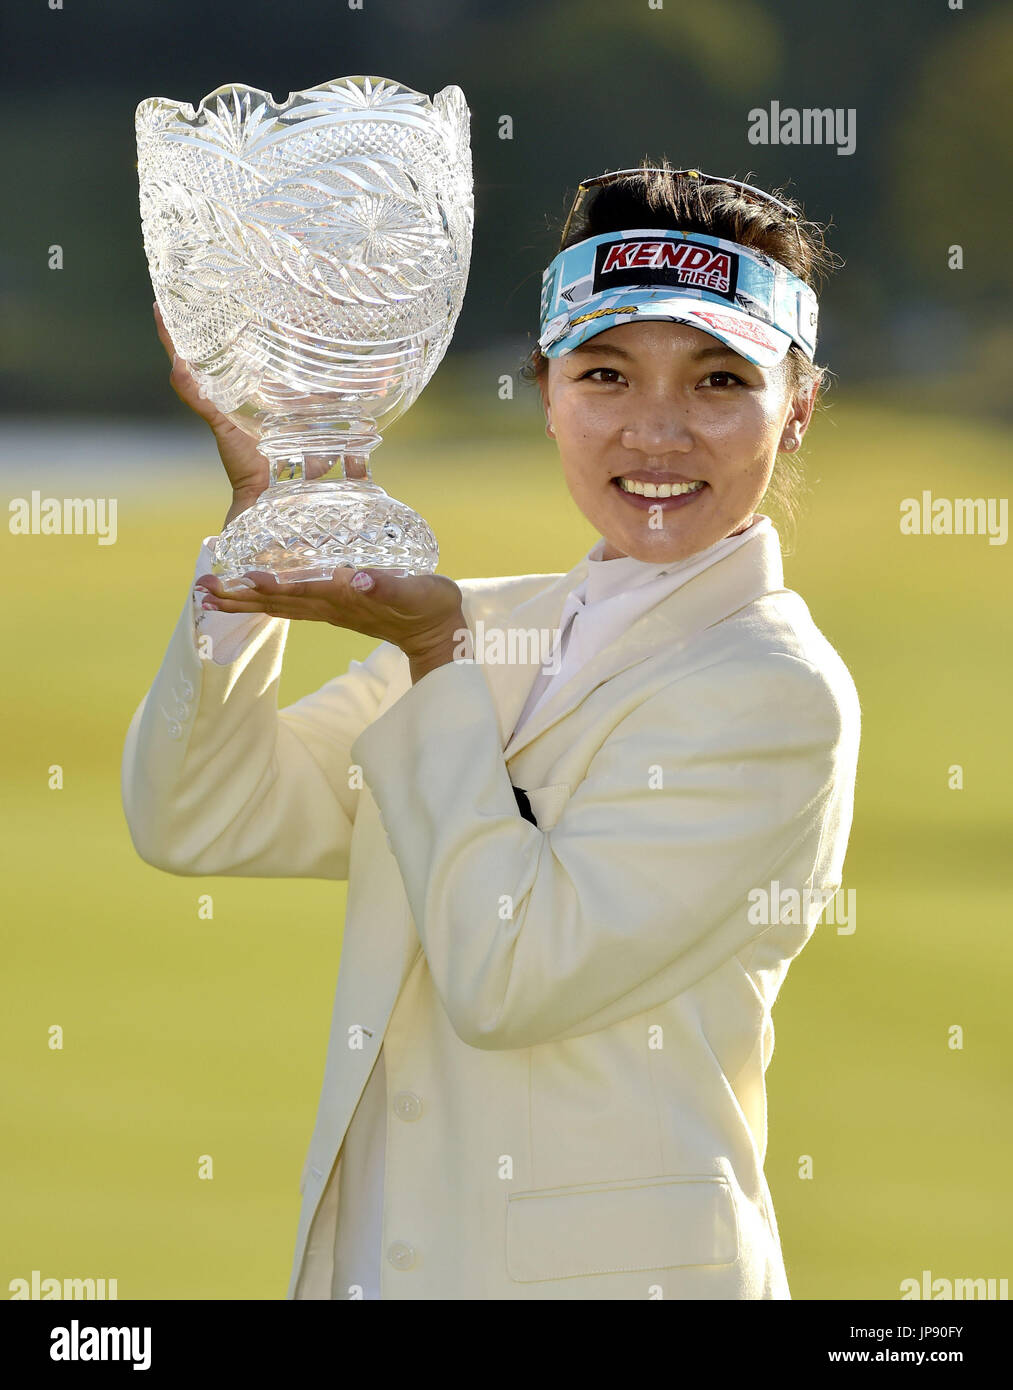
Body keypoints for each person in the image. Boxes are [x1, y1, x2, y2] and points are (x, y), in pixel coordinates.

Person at [121, 160, 861, 1300]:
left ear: (796, 407)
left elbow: (508, 975)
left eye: (718, 380)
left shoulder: (774, 688)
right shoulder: (490, 627)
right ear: (546, 385)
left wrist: (431, 657)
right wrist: (257, 527)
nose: (656, 432)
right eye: (605, 373)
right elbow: (203, 815)